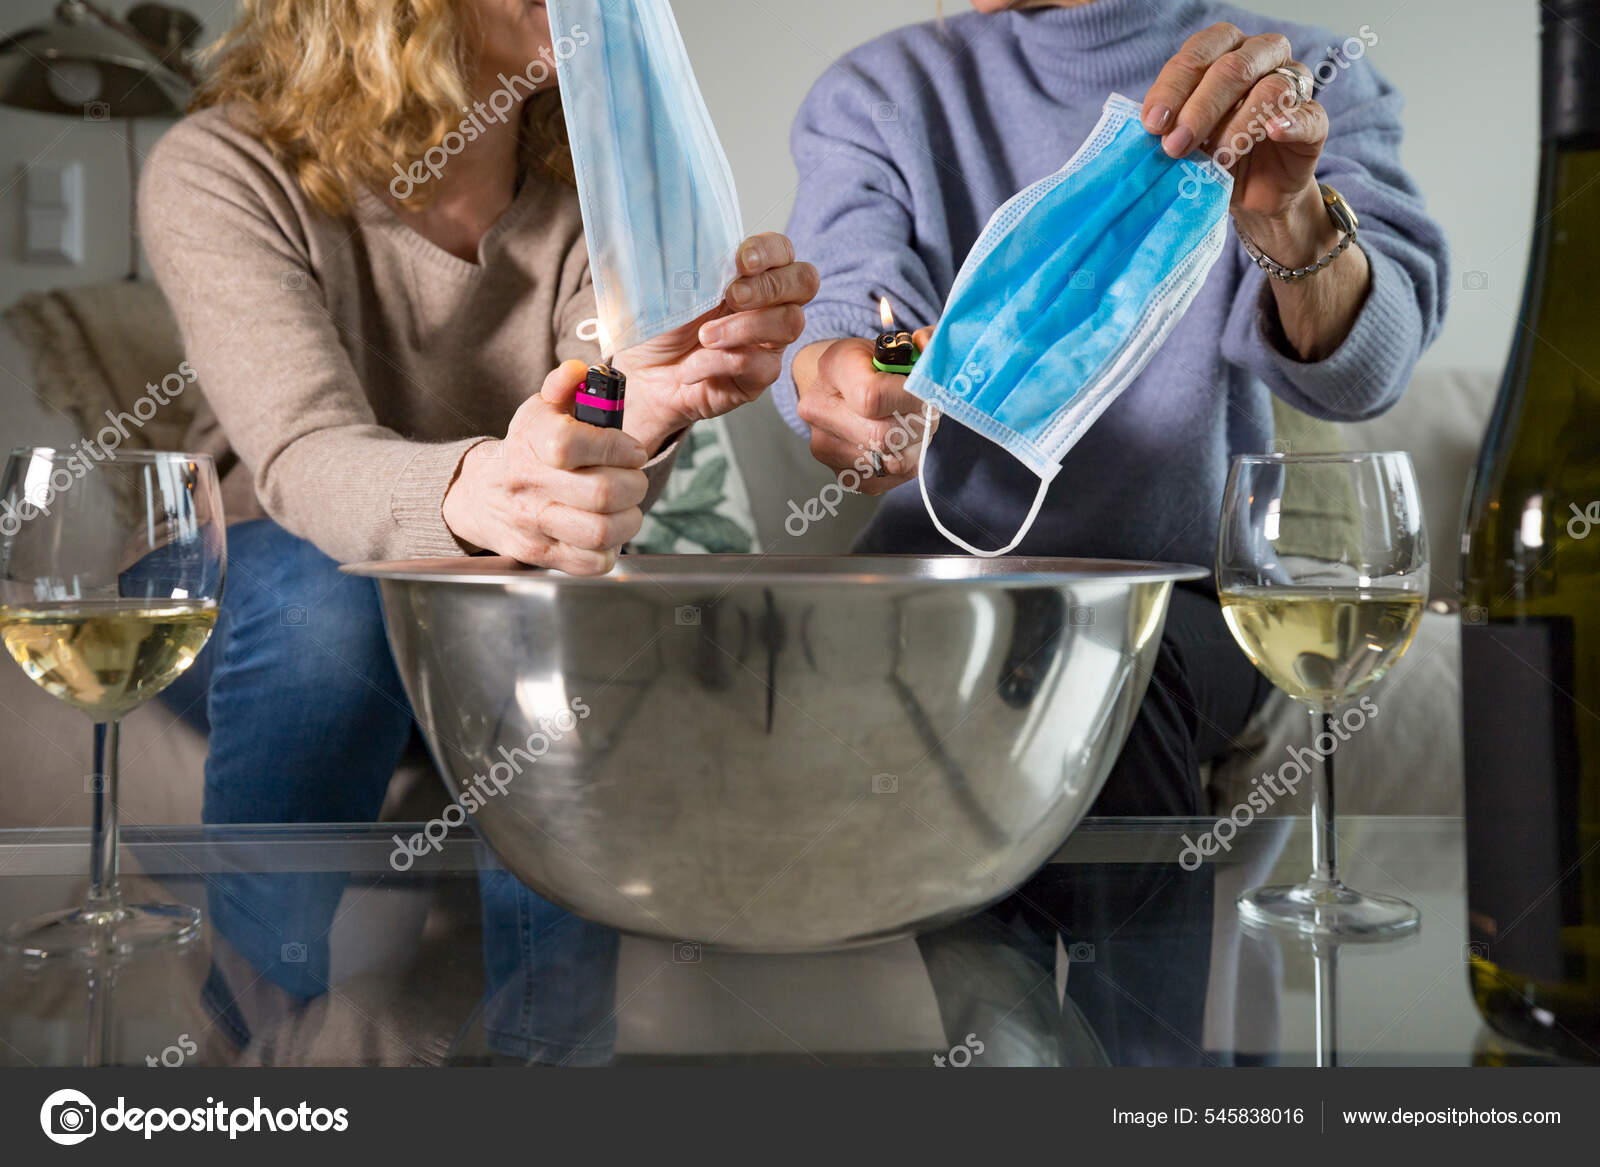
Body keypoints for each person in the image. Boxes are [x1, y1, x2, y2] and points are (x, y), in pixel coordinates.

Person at [141, 0, 817, 1063]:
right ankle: (254, 1039)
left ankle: (548, 1068)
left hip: (482, 592)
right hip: (257, 566)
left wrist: (652, 405)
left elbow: (596, 421)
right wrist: (479, 491)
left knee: (545, 620)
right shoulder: (221, 166)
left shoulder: (592, 194)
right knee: (337, 606)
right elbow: (302, 454)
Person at [777, 0, 1448, 818]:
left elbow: (1365, 374)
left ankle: (1113, 949)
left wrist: (1288, 218)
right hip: (935, 592)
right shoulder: (880, 93)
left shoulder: (1303, 80)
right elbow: (847, 315)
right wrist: (838, 380)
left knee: (1103, 666)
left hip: (1181, 607)